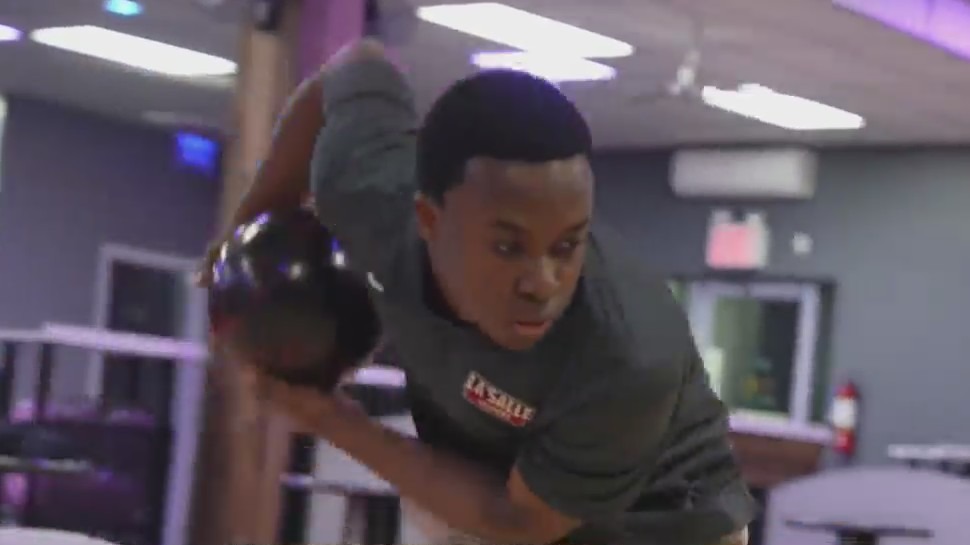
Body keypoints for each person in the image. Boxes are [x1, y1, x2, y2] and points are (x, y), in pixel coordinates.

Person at [199, 38, 755, 545]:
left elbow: (516, 521)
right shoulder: (372, 194)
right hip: (489, 473)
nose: (542, 284)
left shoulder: (625, 354)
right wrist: (244, 231)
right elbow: (354, 67)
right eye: (508, 248)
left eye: (566, 246)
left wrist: (328, 418)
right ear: (429, 220)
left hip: (664, 524)